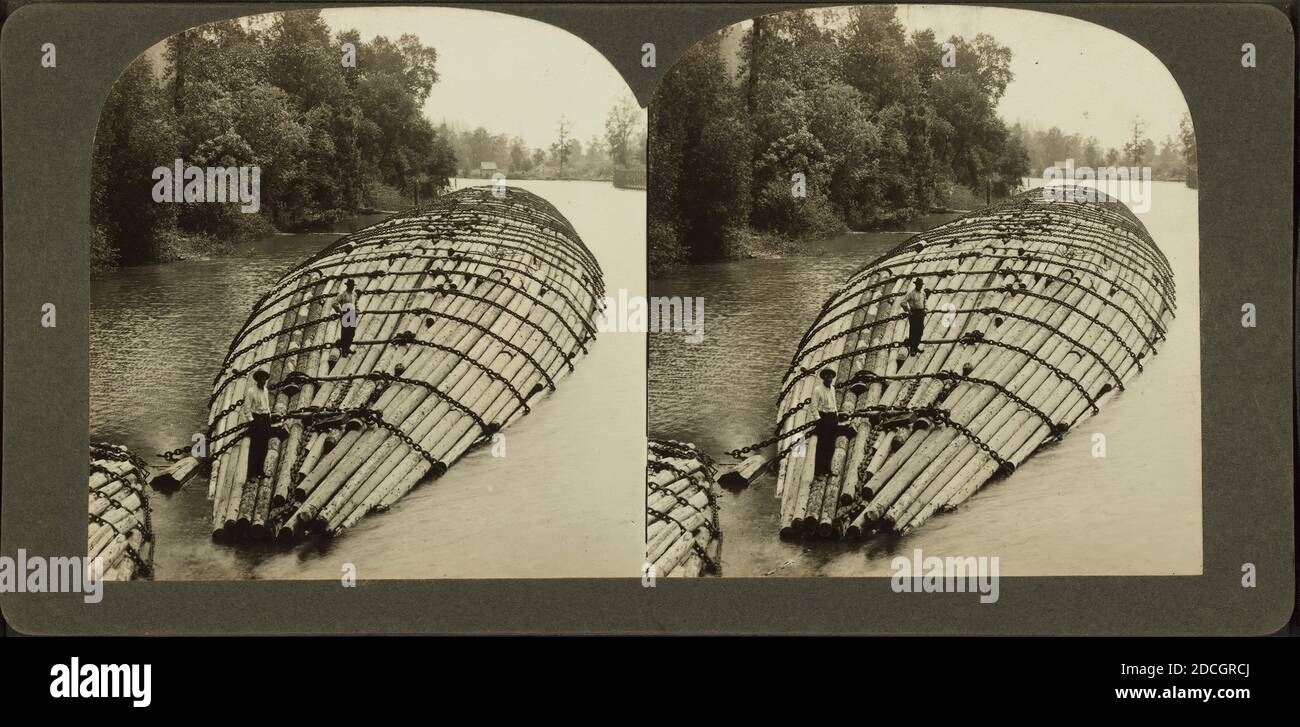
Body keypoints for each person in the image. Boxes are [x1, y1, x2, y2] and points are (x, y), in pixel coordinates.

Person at [243, 368, 272, 482]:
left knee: (264, 447)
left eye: (264, 378)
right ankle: (251, 474)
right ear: (257, 380)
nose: (263, 380)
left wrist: (269, 417)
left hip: (265, 419)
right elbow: (247, 409)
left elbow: (267, 405)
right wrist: (252, 420)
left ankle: (260, 471)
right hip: (256, 419)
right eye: (261, 378)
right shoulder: (251, 391)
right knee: (254, 448)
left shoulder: (265, 390)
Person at [812, 368, 840, 480]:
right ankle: (818, 472)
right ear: (823, 378)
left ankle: (827, 469)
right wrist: (819, 419)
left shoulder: (832, 388)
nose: (829, 379)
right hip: (823, 417)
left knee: (831, 445)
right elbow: (813, 407)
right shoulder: (818, 390)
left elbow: (834, 403)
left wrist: (836, 415)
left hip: (832, 417)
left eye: (831, 377)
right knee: (821, 446)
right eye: (827, 377)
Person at [333, 279, 359, 356]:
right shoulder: (343, 294)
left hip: (352, 315)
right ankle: (344, 350)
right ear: (347, 286)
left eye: (352, 286)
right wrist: (340, 311)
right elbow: (334, 303)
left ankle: (348, 348)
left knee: (351, 333)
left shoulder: (354, 295)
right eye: (350, 286)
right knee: (345, 333)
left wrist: (357, 311)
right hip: (345, 315)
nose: (351, 287)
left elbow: (356, 303)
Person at [902, 277, 927, 356]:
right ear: (916, 285)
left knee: (920, 331)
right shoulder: (911, 294)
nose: (920, 286)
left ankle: (916, 346)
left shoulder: (923, 293)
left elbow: (925, 301)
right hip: (914, 313)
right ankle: (912, 349)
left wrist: (925, 309)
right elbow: (903, 302)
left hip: (921, 313)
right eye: (919, 285)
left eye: (921, 285)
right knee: (913, 331)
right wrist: (908, 311)